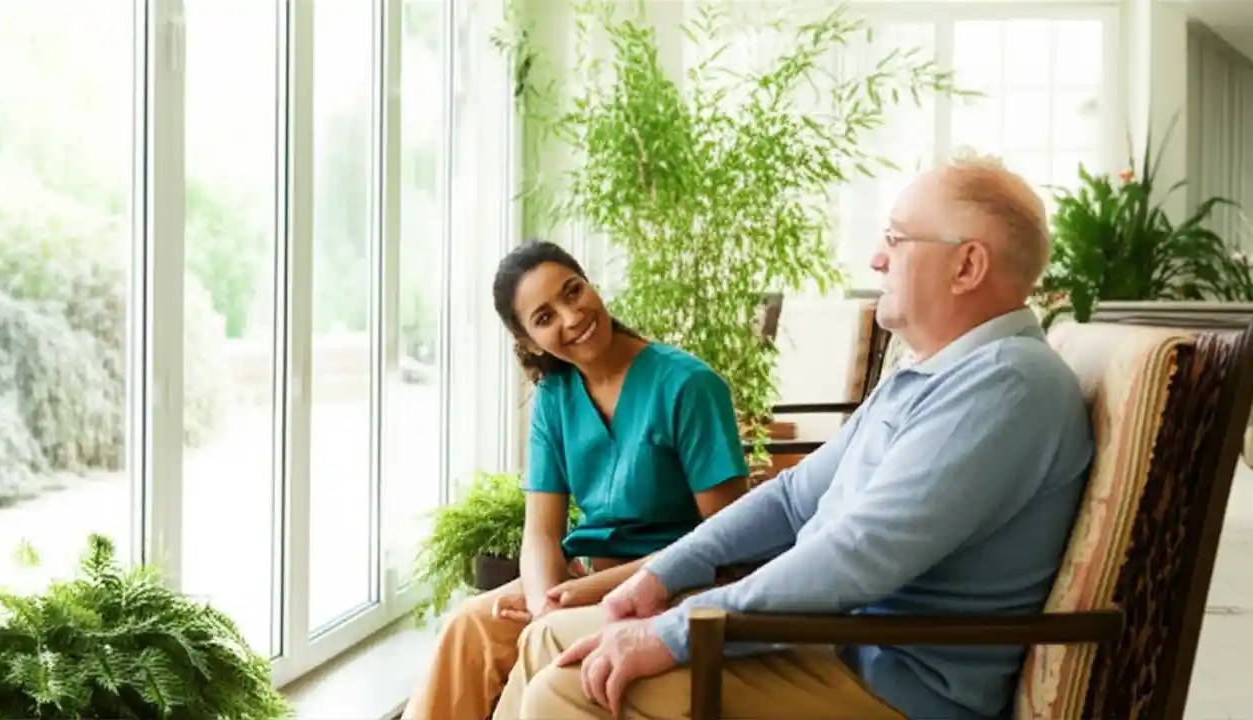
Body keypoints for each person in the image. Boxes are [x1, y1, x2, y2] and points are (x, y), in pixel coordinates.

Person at [492, 158, 1096, 720]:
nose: (877, 259)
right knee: (547, 636)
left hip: (891, 681)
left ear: (966, 266)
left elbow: (855, 557)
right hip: (834, 644)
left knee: (570, 687)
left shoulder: (1005, 387)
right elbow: (790, 498)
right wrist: (662, 576)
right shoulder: (929, 371)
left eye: (896, 238)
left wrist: (673, 631)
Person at [401, 240, 749, 720]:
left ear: (590, 284)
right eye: (544, 317)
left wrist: (585, 596)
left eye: (572, 292)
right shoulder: (555, 396)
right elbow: (541, 532)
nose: (571, 316)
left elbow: (729, 542)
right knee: (470, 627)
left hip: (673, 587)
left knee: (543, 656)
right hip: (581, 580)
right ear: (527, 342)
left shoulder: (688, 386)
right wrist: (546, 605)